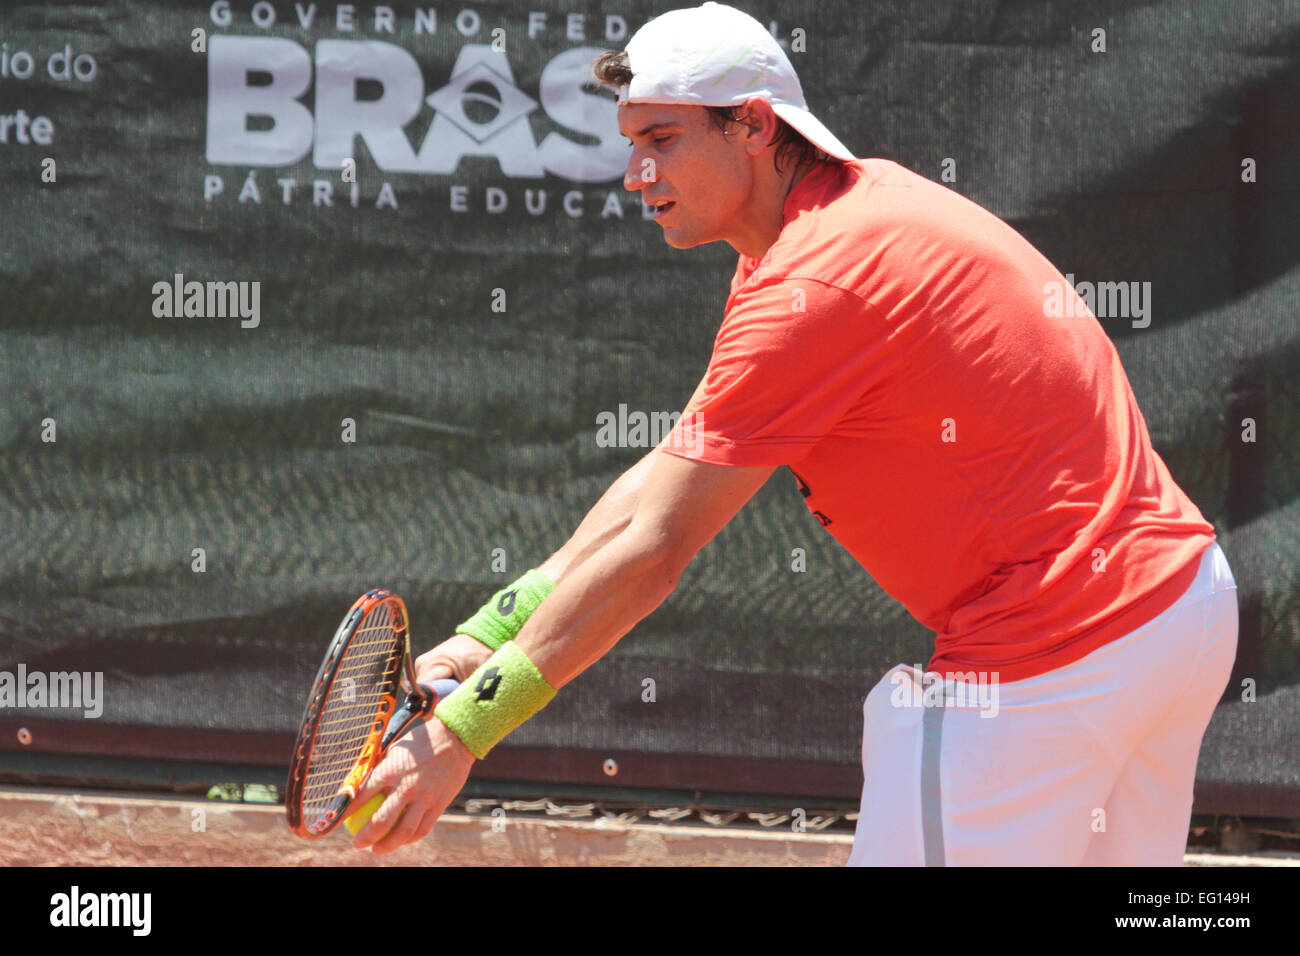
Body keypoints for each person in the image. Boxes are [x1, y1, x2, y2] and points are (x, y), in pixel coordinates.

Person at [350, 2, 1238, 865]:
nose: (636, 174)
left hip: (1055, 660)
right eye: (633, 144)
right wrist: (482, 639)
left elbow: (656, 552)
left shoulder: (815, 288)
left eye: (663, 141)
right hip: (1179, 612)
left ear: (754, 127)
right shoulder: (828, 229)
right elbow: (665, 482)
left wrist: (465, 731)